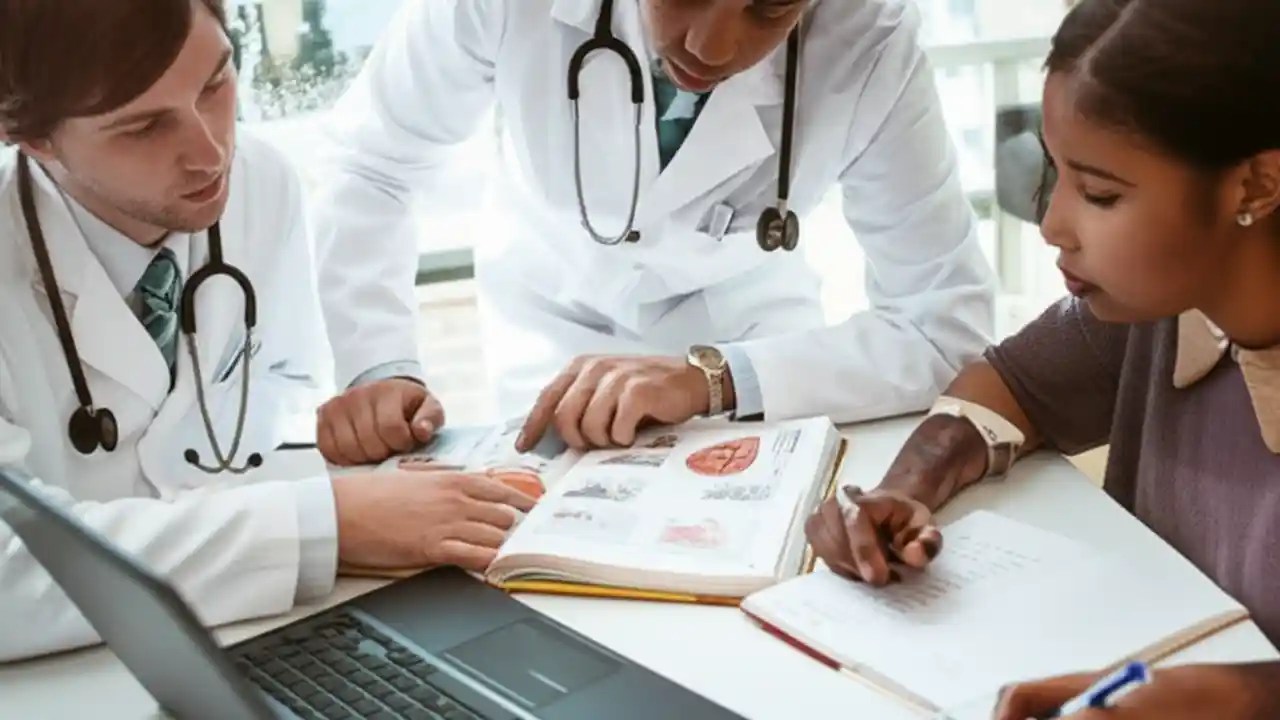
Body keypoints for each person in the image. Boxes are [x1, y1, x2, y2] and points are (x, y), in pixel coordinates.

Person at [0, 0, 534, 663]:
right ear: (31, 137)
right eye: (142, 127)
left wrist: (345, 430)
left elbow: (270, 399)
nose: (208, 150)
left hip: (241, 638)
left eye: (217, 83)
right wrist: (330, 525)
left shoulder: (261, 183)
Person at [804, 0, 1280, 716]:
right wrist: (906, 490)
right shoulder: (1160, 311)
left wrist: (1239, 697)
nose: (1053, 225)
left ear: (1255, 186)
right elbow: (1011, 384)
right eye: (1054, 172)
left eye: (1099, 194)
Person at [311, 0, 997, 464]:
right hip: (548, 330)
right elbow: (374, 163)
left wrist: (716, 378)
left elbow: (943, 326)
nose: (713, 46)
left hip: (755, 348)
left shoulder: (869, 37)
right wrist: (379, 365)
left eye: (772, 7)